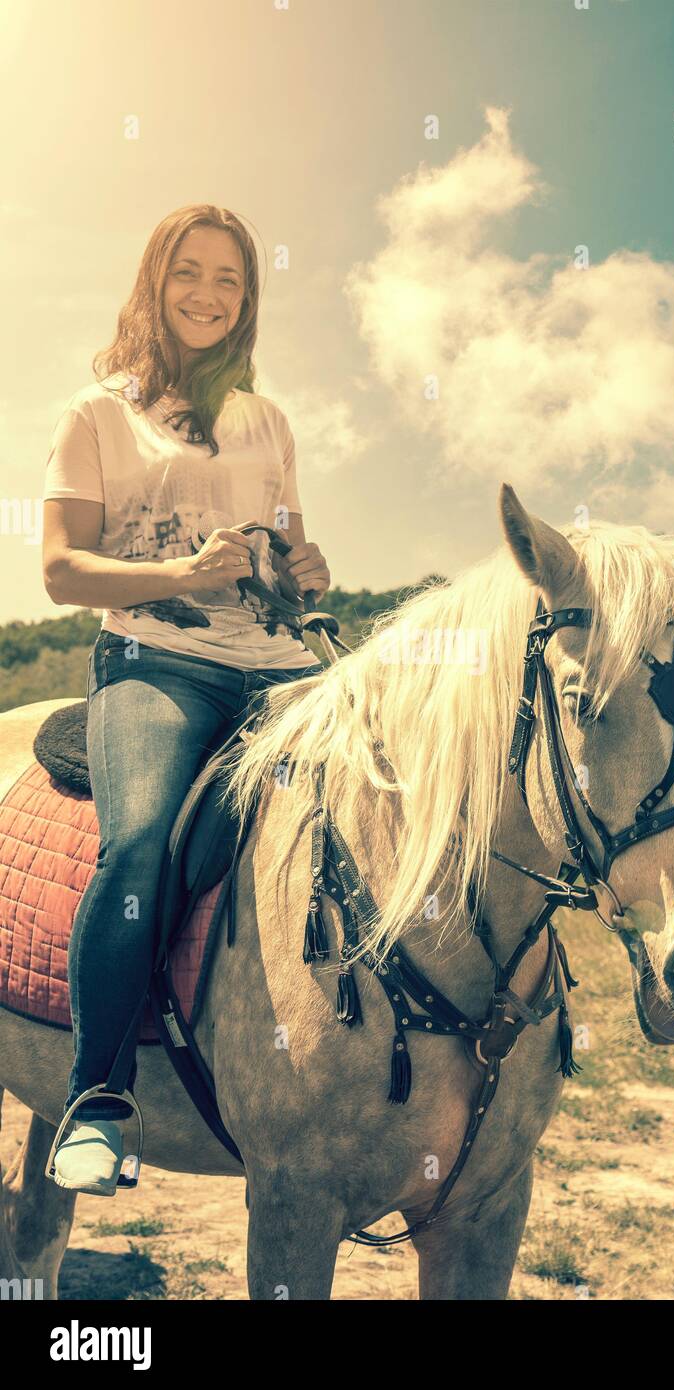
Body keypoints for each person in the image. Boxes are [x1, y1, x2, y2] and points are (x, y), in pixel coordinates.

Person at [41, 204, 330, 1195]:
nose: (208, 293)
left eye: (229, 280)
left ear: (247, 301)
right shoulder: (96, 414)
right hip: (156, 662)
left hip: (282, 662)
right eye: (189, 273)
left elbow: (288, 566)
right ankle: (95, 1098)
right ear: (154, 283)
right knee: (142, 841)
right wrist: (178, 575)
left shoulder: (267, 419)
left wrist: (306, 568)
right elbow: (60, 572)